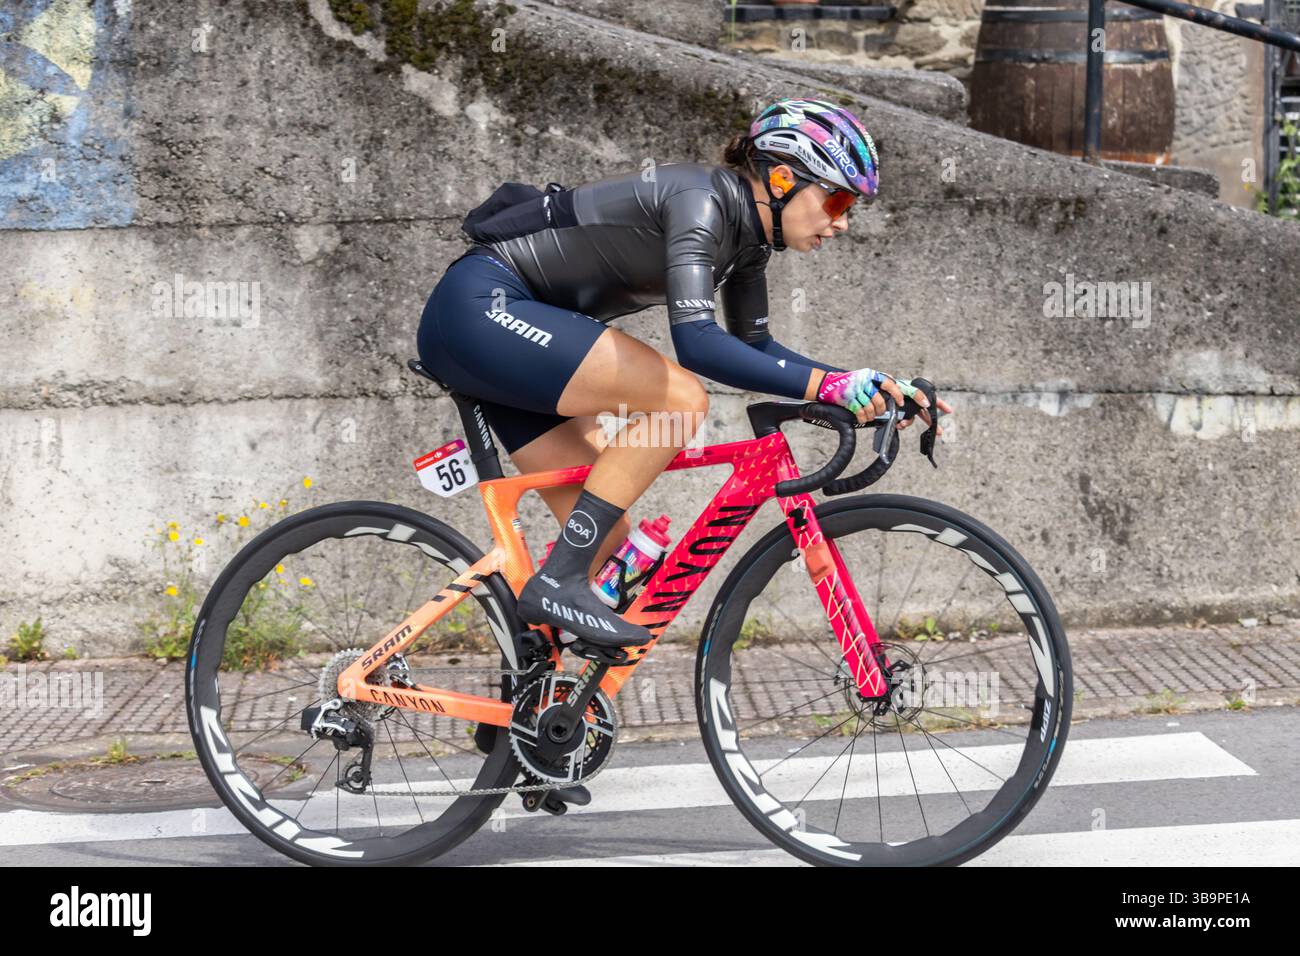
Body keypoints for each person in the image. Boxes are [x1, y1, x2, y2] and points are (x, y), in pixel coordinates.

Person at [417, 98, 953, 649]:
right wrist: (829, 386)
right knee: (679, 398)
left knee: (609, 550)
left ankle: (522, 710)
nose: (840, 222)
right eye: (837, 198)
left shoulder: (748, 245)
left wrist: (864, 381)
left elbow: (755, 347)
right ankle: (558, 582)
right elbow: (697, 343)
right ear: (782, 177)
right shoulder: (699, 202)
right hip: (482, 309)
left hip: (508, 339)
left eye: (851, 208)